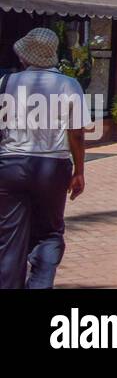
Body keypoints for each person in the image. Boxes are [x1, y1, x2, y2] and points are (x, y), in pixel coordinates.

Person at [0, 28, 87, 290]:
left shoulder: (5, 83)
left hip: (10, 166)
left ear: (24, 56)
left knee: (8, 238)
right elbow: (77, 134)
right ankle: (39, 284)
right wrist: (79, 171)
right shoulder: (69, 85)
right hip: (52, 167)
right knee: (49, 234)